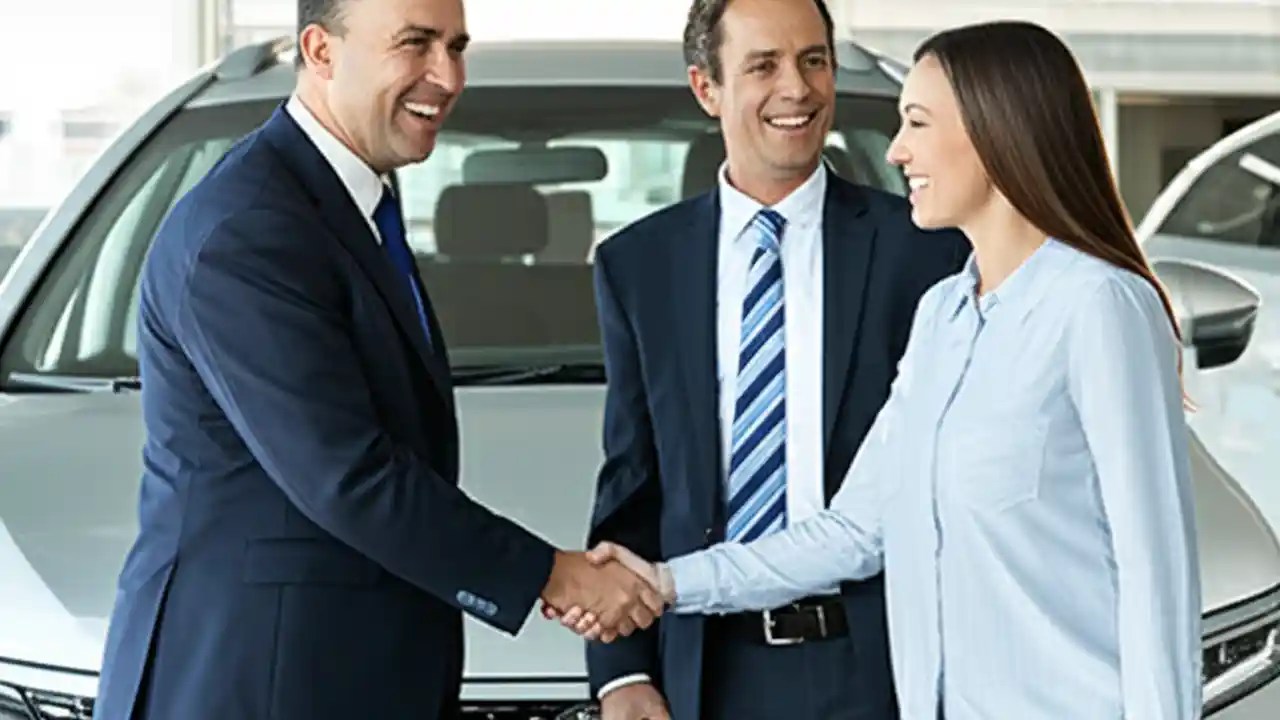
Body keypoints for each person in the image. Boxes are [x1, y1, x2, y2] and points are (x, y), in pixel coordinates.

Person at [567, 19, 1204, 720]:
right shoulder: (944, 315)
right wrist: (664, 583)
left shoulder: (1099, 305)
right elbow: (854, 530)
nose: (897, 151)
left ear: (996, 133)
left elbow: (1157, 572)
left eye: (917, 123)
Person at [90, 0, 661, 718]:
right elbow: (346, 472)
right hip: (261, 684)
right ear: (320, 51)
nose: (448, 76)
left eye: (456, 46)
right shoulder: (252, 228)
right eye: (414, 44)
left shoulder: (345, 208)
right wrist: (555, 576)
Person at [569, 0, 968, 718]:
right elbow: (634, 485)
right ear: (706, 87)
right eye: (763, 65)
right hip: (704, 669)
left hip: (879, 670)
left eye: (814, 61)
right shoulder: (640, 265)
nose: (798, 89)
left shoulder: (925, 250)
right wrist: (623, 674)